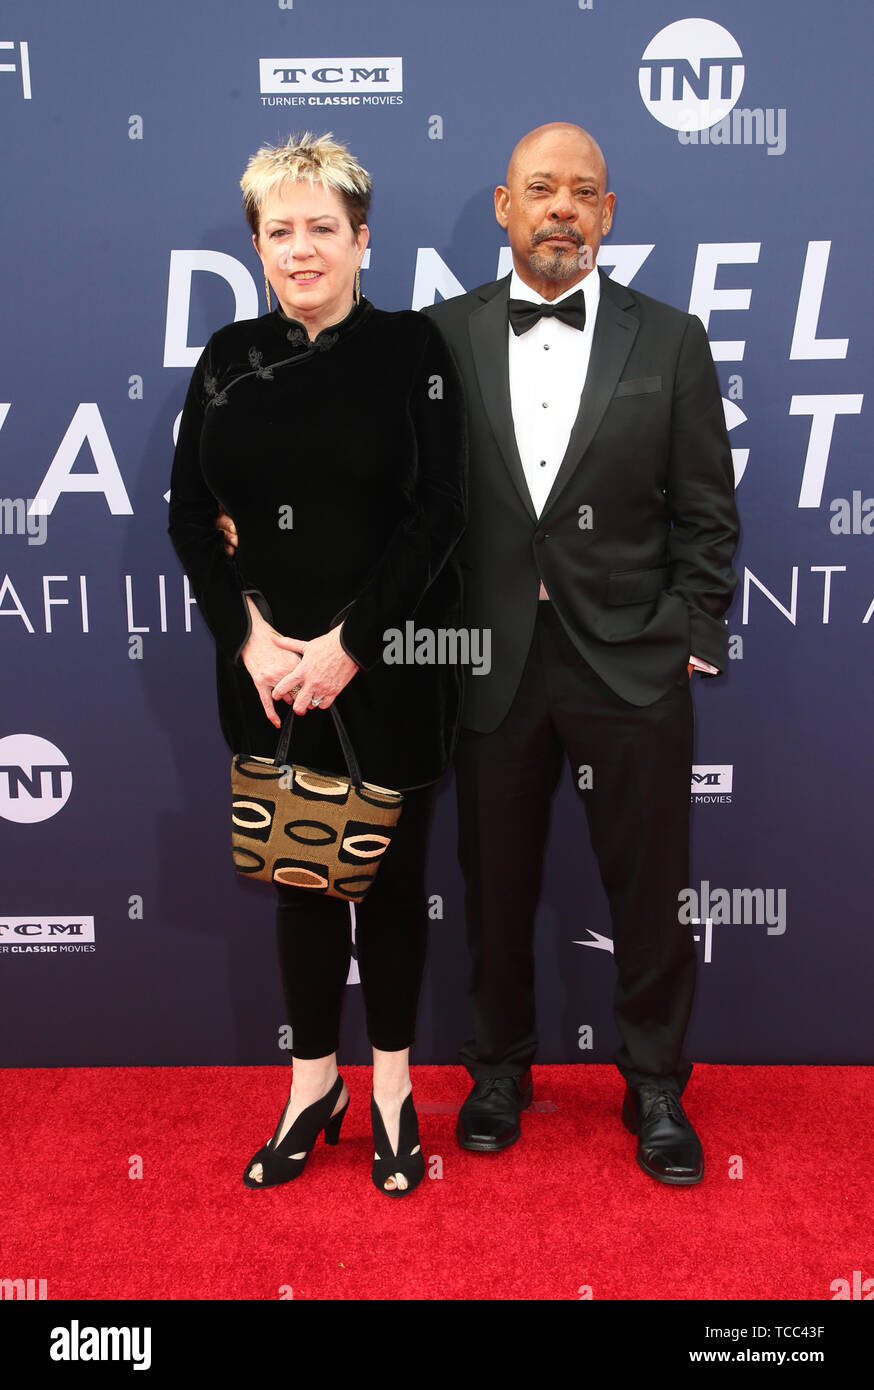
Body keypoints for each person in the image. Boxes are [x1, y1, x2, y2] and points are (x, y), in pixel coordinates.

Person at [421, 122, 740, 1183]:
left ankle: (653, 1086)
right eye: (540, 189)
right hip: (488, 659)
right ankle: (499, 1072)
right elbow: (401, 503)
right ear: (503, 207)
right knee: (493, 883)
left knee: (650, 892)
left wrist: (694, 631)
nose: (562, 207)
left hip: (633, 659)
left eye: (583, 192)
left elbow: (706, 509)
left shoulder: (672, 337)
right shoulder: (438, 337)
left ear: (609, 213)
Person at [168, 132, 466, 1196]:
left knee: (385, 883)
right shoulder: (226, 357)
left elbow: (438, 514)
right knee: (298, 880)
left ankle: (389, 1088)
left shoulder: (413, 351)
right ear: (257, 244)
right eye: (280, 232)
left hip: (386, 670)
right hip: (261, 673)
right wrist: (248, 635)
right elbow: (187, 515)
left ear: (361, 240)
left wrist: (350, 645)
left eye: (322, 230)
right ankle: (310, 1084)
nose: (302, 250)